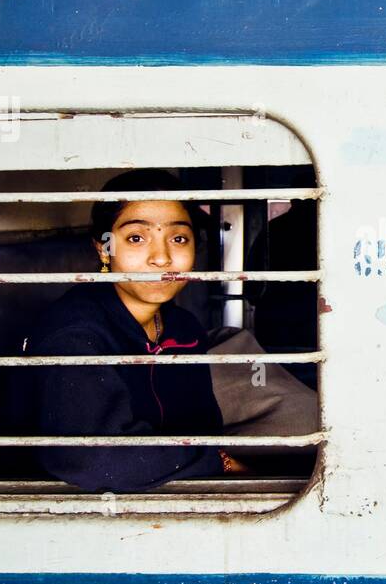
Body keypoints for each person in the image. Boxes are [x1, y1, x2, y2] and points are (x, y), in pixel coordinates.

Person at [17, 168, 239, 491]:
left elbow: (204, 433)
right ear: (103, 248)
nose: (161, 258)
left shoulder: (184, 328)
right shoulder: (74, 333)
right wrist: (219, 464)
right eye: (136, 238)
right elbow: (96, 459)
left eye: (178, 238)